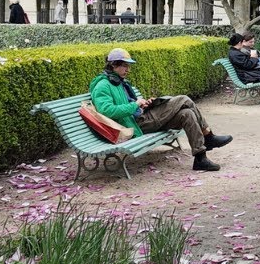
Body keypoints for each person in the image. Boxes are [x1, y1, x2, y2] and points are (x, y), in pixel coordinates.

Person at [90, 48, 232, 171]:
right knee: (184, 99)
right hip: (136, 125)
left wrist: (144, 104)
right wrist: (135, 105)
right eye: (125, 66)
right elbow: (106, 111)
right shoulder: (103, 86)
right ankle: (208, 136)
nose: (128, 69)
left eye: (128, 66)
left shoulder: (119, 82)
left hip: (142, 117)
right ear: (113, 65)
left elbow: (128, 103)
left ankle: (200, 159)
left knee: (187, 114)